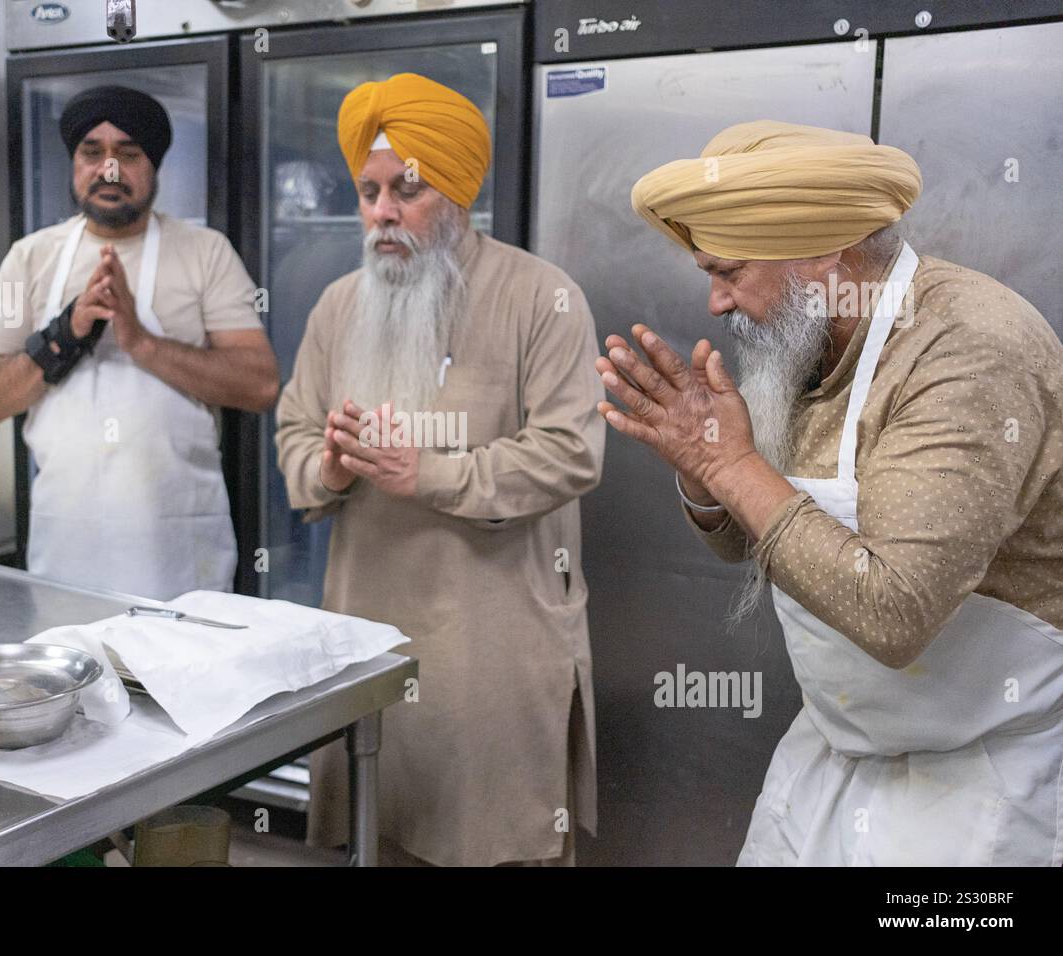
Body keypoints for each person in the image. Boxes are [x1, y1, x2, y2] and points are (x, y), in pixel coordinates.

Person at [600, 120, 1063, 865]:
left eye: (730, 271)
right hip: (833, 754)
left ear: (824, 254)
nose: (716, 303)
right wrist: (703, 467)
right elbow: (750, 536)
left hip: (984, 782)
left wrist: (731, 466)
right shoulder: (810, 337)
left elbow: (895, 610)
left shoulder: (967, 349)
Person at [275, 73, 605, 866]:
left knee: (491, 841)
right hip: (365, 645)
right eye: (369, 191)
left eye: (408, 191)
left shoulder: (541, 298)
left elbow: (571, 452)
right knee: (374, 834)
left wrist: (427, 472)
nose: (383, 213)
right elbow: (291, 431)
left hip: (490, 652)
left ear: (457, 192)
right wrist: (328, 469)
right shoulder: (337, 306)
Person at [0, 85, 277, 599]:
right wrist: (64, 336)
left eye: (129, 155)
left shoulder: (205, 252)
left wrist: (141, 342)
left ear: (154, 167)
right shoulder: (32, 257)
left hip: (179, 553)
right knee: (73, 676)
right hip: (65, 547)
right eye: (93, 152)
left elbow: (259, 384)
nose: (109, 170)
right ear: (74, 164)